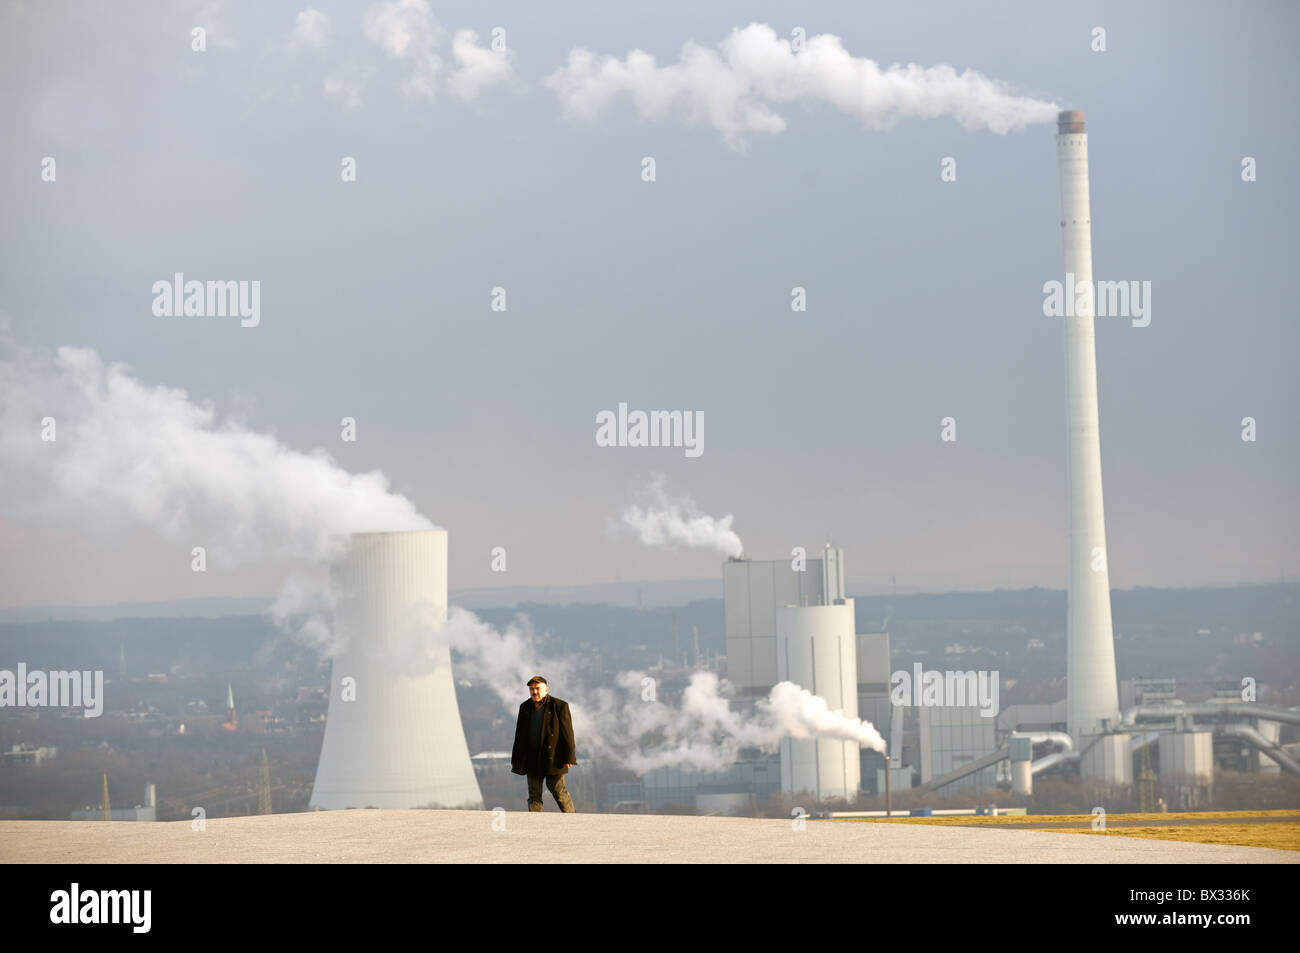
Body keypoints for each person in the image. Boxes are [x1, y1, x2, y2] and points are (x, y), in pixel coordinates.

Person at [511, 675, 577, 812]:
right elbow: (520, 736)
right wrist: (516, 759)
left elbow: (567, 734)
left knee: (558, 790)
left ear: (546, 690)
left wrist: (569, 757)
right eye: (532, 689)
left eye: (537, 688)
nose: (534, 692)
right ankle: (537, 824)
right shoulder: (525, 707)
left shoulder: (559, 706)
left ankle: (573, 819)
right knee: (534, 794)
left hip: (554, 758)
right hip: (532, 759)